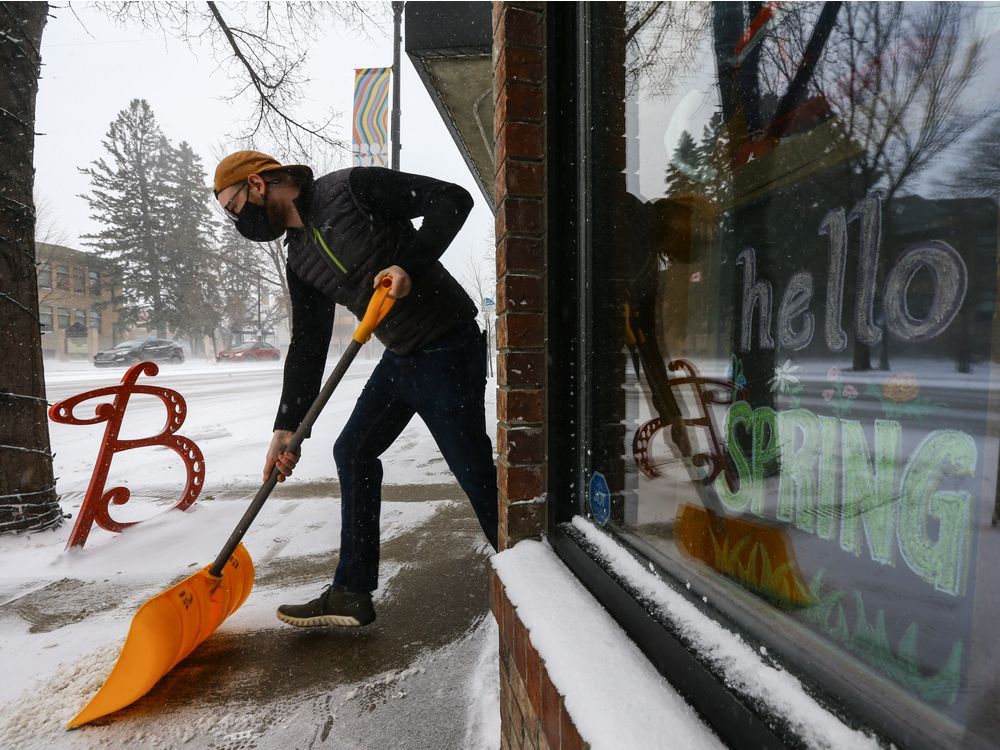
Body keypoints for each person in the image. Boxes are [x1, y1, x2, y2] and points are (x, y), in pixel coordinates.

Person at [214, 151, 498, 628]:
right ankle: (351, 591)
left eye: (233, 206)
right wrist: (287, 427)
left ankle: (528, 567)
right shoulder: (300, 257)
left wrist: (408, 265)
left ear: (259, 184)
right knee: (353, 451)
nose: (236, 219)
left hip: (448, 342)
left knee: (472, 470)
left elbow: (453, 199)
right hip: (401, 355)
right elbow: (308, 343)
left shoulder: (352, 189)